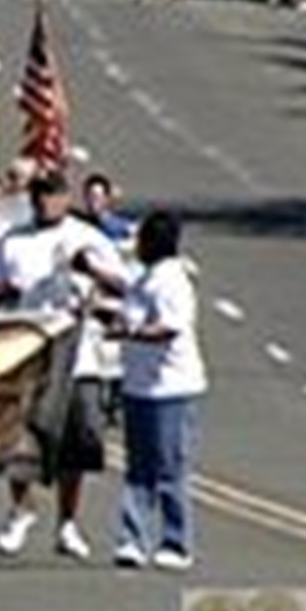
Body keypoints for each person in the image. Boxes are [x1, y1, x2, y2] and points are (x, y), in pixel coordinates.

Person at [0, 173, 129, 563]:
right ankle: (22, 509)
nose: (48, 204)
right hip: (27, 352)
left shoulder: (87, 238)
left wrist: (92, 274)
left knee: (75, 444)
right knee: (21, 440)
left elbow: (122, 287)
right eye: (41, 197)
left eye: (55, 196)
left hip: (78, 354)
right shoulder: (12, 242)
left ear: (66, 199)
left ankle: (67, 522)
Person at [105, 213, 206, 572]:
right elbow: (126, 309)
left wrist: (130, 334)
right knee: (138, 467)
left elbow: (168, 329)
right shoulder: (144, 279)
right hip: (139, 386)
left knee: (169, 467)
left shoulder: (173, 282)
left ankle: (175, 542)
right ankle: (132, 539)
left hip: (171, 389)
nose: (137, 246)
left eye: (142, 240)